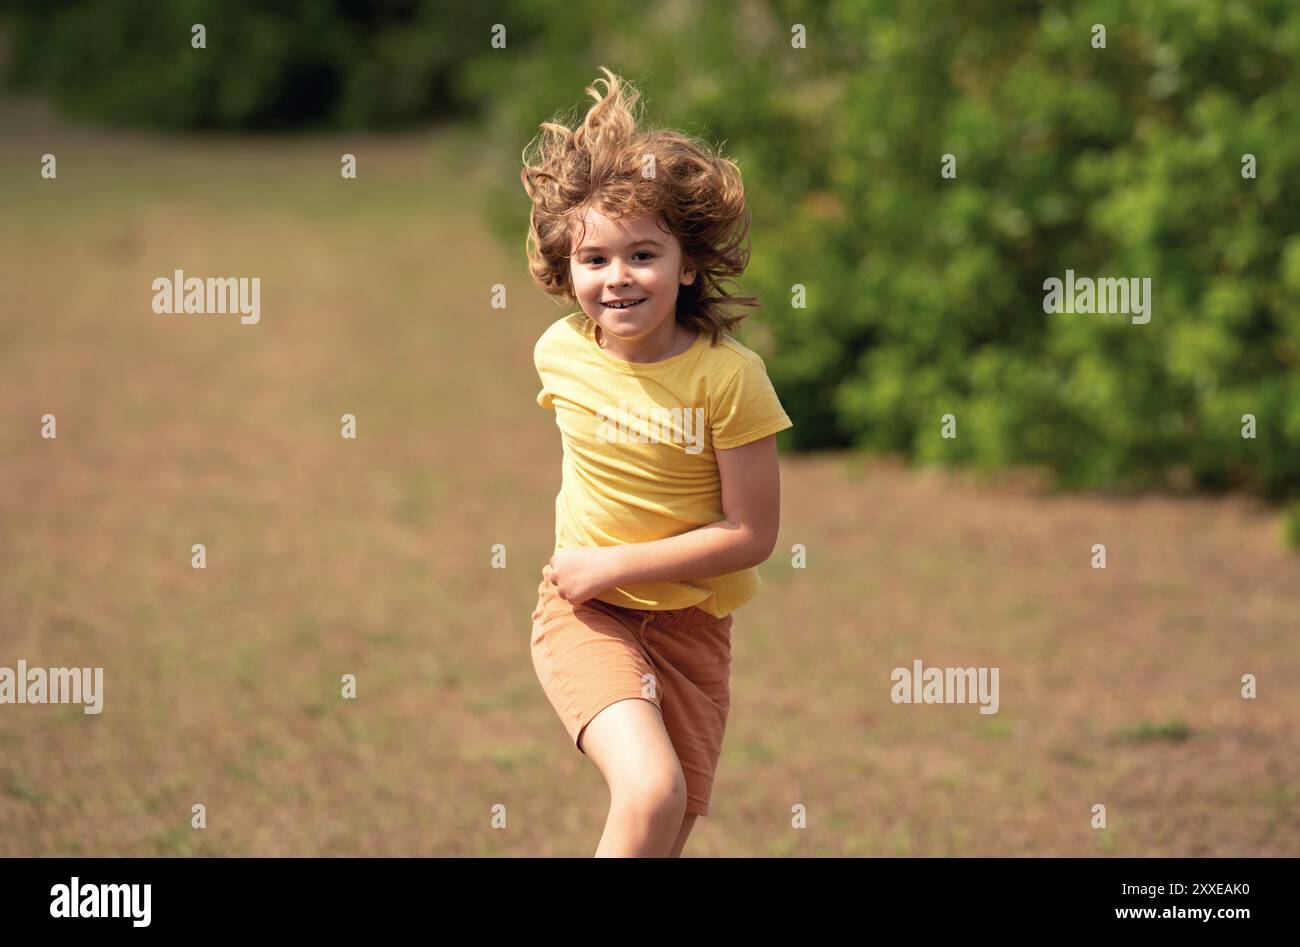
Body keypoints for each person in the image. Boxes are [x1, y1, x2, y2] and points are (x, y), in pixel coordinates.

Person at [521, 67, 793, 857]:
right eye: (594, 259)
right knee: (650, 790)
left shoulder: (730, 378)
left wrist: (619, 561)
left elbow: (751, 533)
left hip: (693, 632)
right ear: (566, 269)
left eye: (642, 254)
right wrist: (599, 574)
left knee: (662, 829)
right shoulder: (559, 351)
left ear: (688, 265)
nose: (616, 278)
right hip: (585, 610)